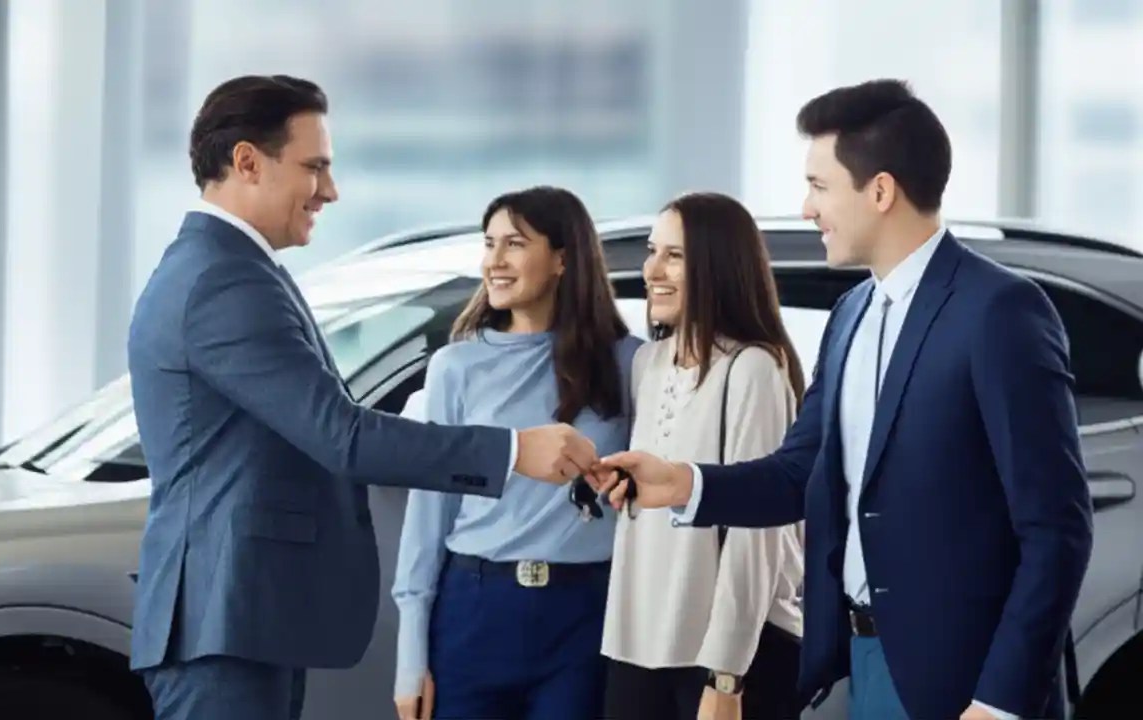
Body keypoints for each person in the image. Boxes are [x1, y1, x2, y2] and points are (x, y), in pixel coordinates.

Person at [590, 79, 1093, 720]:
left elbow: (1057, 529)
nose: (807, 208)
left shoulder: (999, 311)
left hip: (966, 683)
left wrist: (997, 702)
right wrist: (681, 484)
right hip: (862, 662)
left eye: (819, 187)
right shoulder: (851, 315)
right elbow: (801, 473)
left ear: (880, 191)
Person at [126, 76, 598, 720]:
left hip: (240, 618)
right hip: (224, 620)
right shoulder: (223, 280)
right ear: (246, 161)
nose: (330, 190)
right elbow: (341, 436)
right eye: (314, 167)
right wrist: (513, 449)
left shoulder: (230, 268)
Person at [390, 186, 642, 720]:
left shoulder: (628, 364)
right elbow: (426, 517)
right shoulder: (455, 366)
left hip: (583, 615)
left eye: (514, 244)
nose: (494, 262)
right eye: (489, 244)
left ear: (561, 258)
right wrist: (411, 656)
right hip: (475, 610)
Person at [600, 192, 806, 720]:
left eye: (675, 255)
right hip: (637, 645)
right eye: (652, 250)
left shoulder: (753, 369)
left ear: (716, 266)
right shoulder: (648, 362)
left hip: (723, 658)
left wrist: (726, 676)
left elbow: (754, 535)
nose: (652, 269)